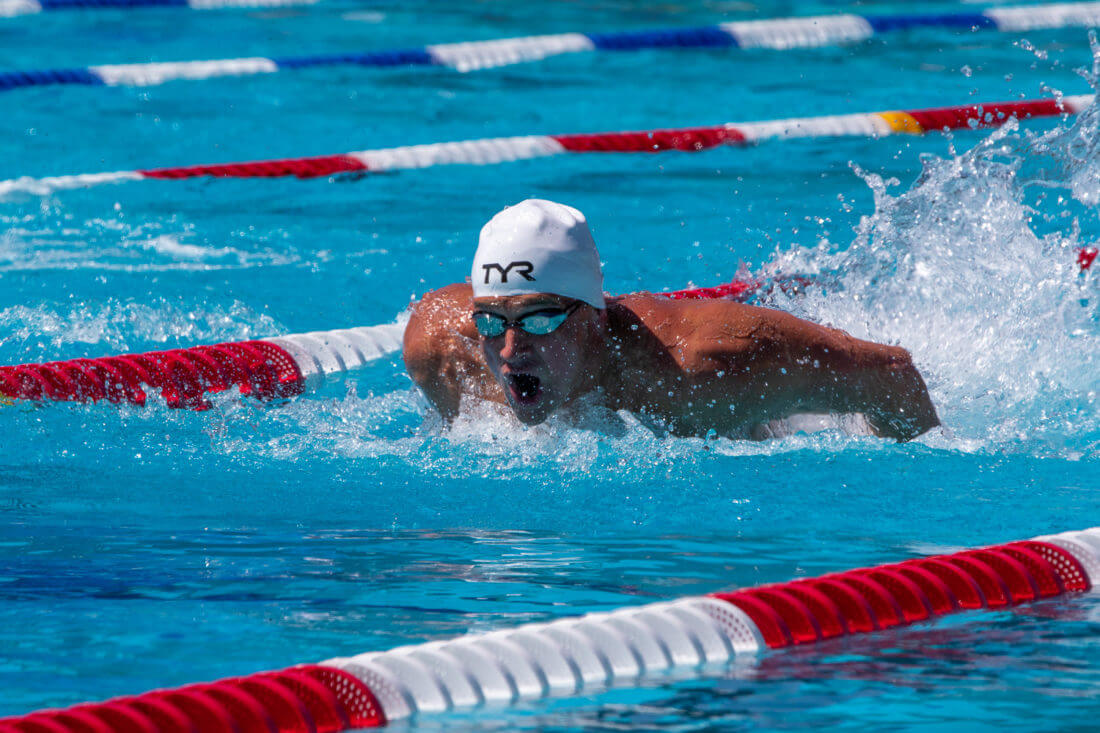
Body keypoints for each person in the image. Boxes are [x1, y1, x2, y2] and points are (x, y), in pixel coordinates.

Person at [403, 199, 939, 441]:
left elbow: (890, 374)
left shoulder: (702, 364)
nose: (509, 348)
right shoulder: (445, 352)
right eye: (493, 320)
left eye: (538, 319)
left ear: (593, 316)